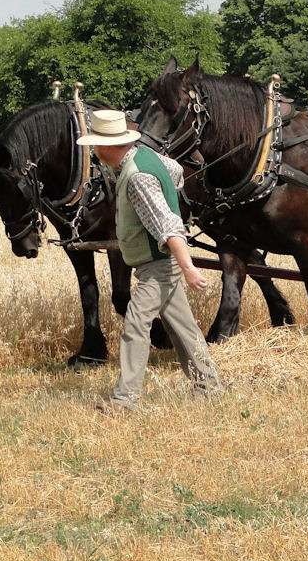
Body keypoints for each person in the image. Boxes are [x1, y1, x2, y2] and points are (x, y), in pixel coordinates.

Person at [77, 108, 221, 414]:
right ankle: (209, 387)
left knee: (135, 323)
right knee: (184, 328)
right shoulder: (146, 157)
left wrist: (189, 268)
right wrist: (168, 194)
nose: (93, 151)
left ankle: (125, 401)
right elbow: (176, 171)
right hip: (158, 264)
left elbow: (168, 227)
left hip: (158, 265)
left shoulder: (138, 177)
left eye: (95, 145)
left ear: (108, 145)